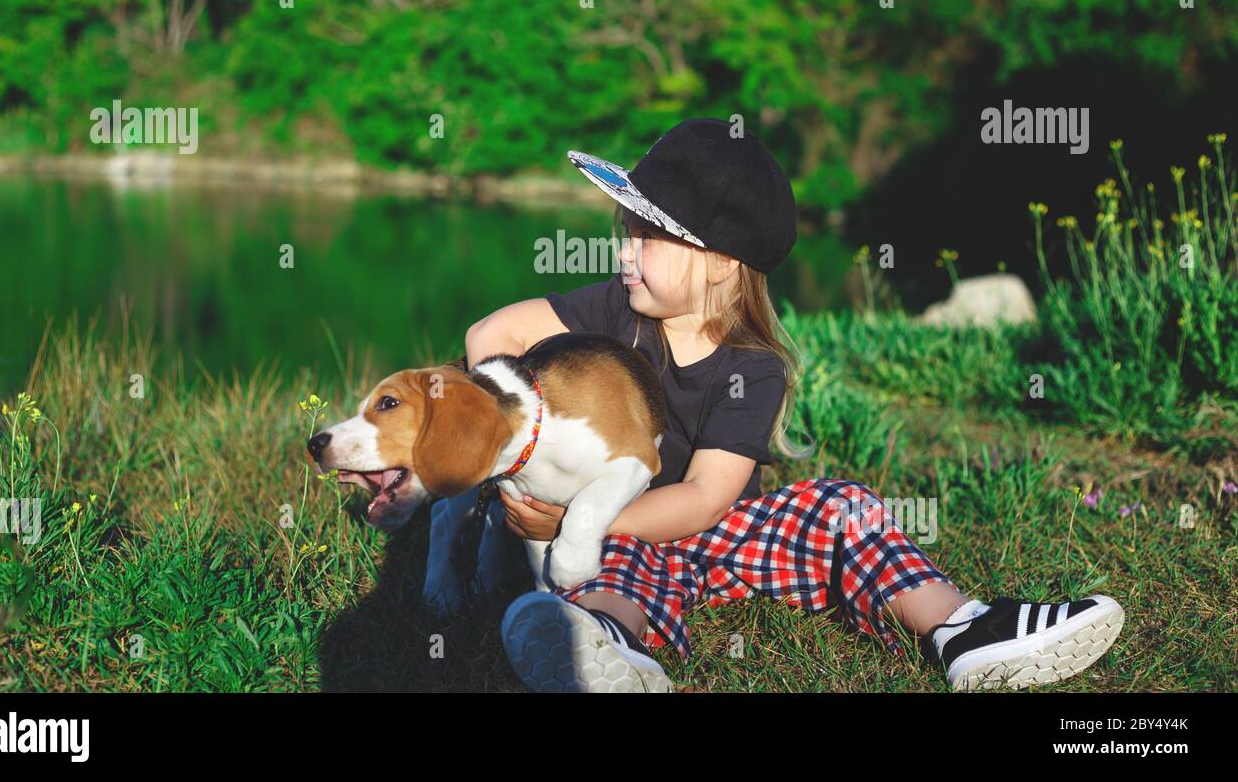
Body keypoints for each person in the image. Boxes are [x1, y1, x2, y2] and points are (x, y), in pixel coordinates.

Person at [435, 117, 1124, 693]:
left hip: (712, 535)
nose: (626, 252)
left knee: (842, 506)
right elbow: (489, 335)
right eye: (627, 232)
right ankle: (606, 644)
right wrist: (517, 465)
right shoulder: (610, 311)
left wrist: (577, 518)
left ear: (721, 261)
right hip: (614, 537)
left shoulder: (752, 368)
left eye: (649, 237)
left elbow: (707, 498)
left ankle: (961, 628)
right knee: (617, 561)